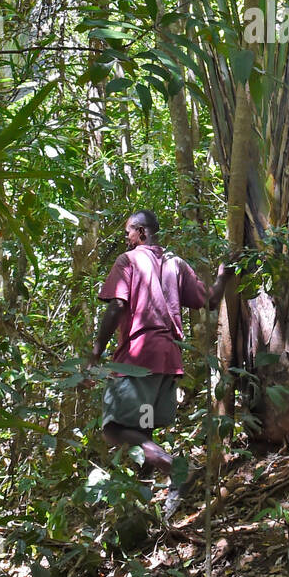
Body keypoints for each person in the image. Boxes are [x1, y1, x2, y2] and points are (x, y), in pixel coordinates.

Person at [91, 210, 229, 503]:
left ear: (141, 232)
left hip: (138, 358)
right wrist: (223, 275)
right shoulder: (175, 263)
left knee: (114, 428)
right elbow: (211, 300)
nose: (125, 238)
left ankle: (179, 469)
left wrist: (96, 351)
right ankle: (144, 504)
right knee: (143, 429)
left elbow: (116, 304)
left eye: (128, 231)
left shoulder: (127, 261)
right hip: (168, 359)